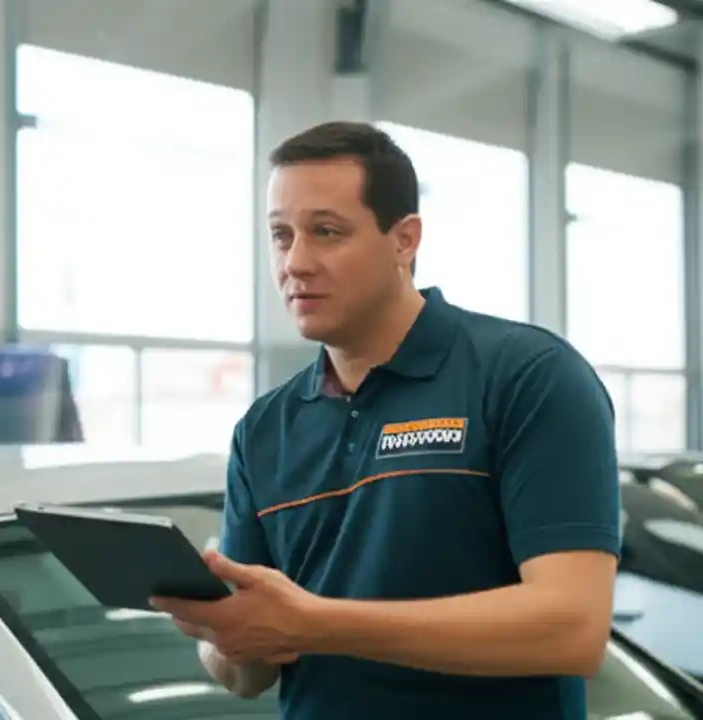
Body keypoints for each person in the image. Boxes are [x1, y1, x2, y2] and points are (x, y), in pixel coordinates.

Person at [149, 121, 620, 719]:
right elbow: (248, 677)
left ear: (404, 240)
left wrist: (316, 623)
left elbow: (572, 629)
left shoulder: (527, 377)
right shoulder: (265, 430)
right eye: (281, 235)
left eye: (326, 232)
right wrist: (224, 631)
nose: (296, 262)